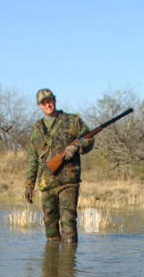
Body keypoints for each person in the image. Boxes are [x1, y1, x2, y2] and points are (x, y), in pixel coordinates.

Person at [24, 89, 94, 242]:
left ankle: (69, 264)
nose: (48, 104)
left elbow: (89, 139)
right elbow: (32, 159)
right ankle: (51, 263)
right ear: (39, 106)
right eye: (43, 102)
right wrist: (29, 185)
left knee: (68, 222)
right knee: (50, 226)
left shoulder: (72, 120)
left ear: (54, 100)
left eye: (50, 100)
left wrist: (75, 147)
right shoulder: (36, 129)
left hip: (68, 180)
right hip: (47, 182)